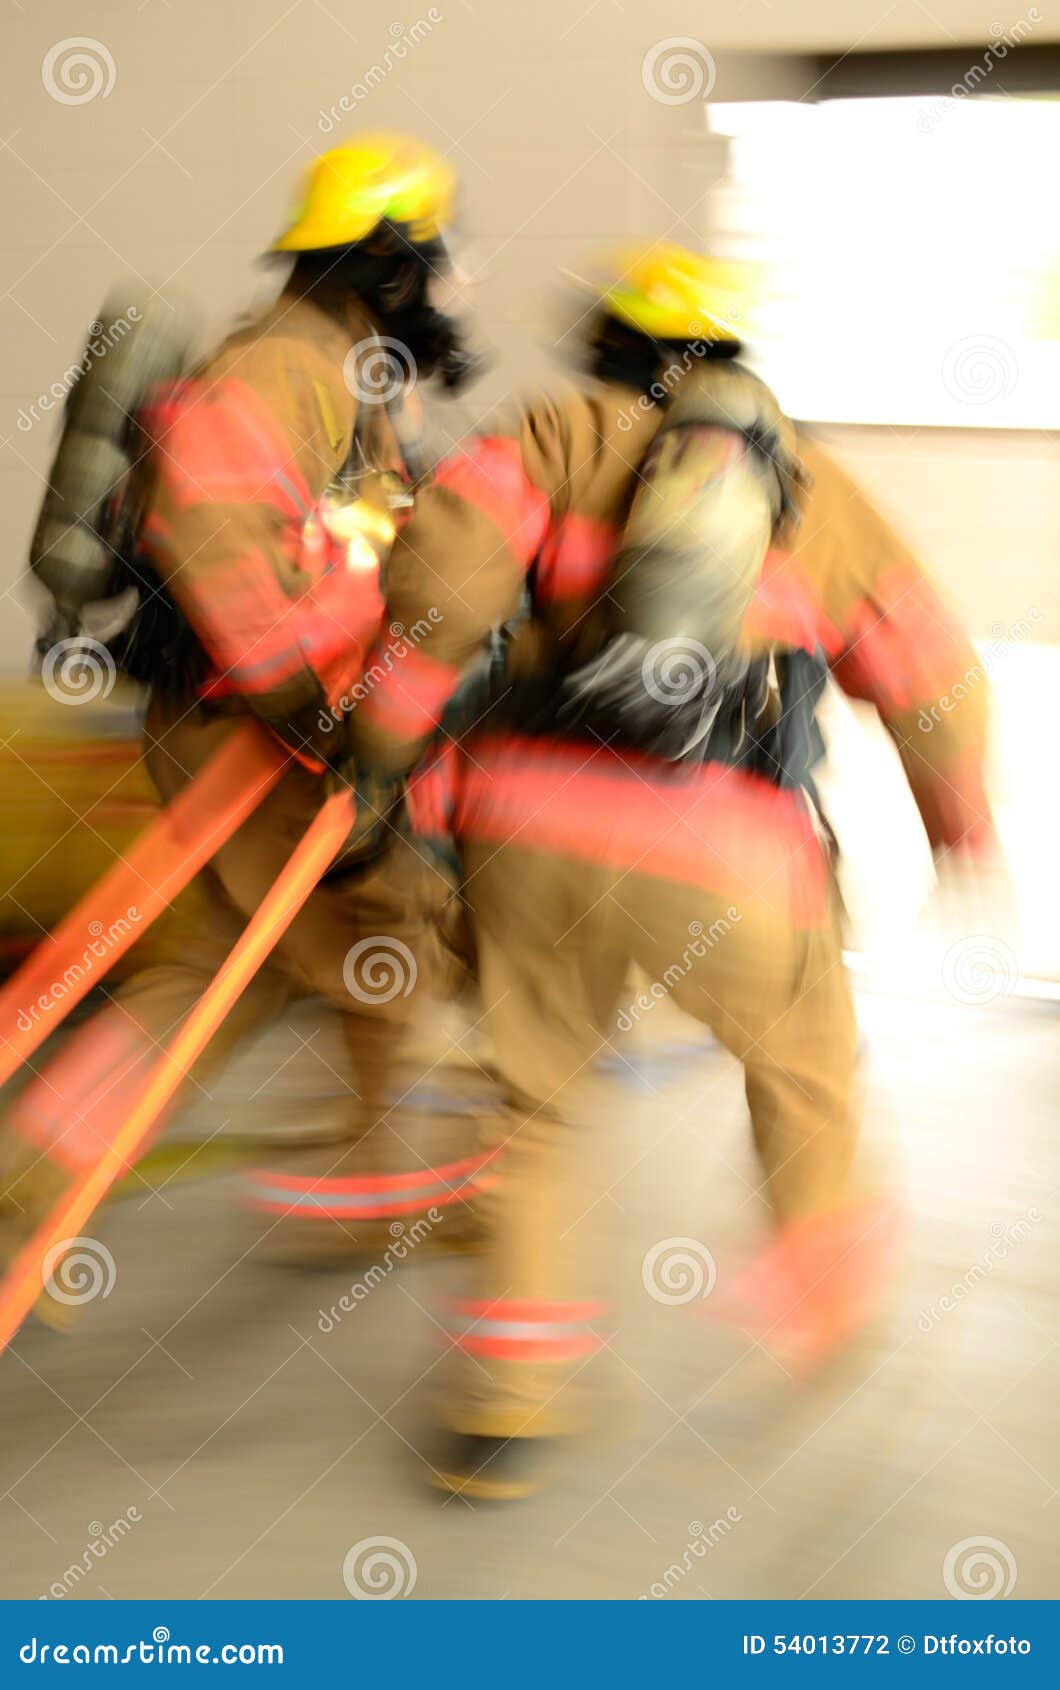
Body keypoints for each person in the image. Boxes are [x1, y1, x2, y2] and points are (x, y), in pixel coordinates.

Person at [338, 242, 1000, 1498]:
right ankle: (815, 1292)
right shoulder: (817, 487)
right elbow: (928, 671)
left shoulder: (546, 437)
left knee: (531, 1102)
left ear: (614, 347)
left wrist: (380, 749)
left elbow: (436, 598)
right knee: (802, 1063)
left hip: (531, 826)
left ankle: (509, 1402)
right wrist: (960, 817)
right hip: (732, 847)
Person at [1, 133, 491, 1288]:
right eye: (432, 264)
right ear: (385, 264)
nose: (446, 291)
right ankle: (57, 1171)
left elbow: (362, 539)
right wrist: (329, 736)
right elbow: (224, 555)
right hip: (258, 729)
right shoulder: (278, 368)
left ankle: (365, 1164)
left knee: (277, 956)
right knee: (379, 931)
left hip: (281, 721)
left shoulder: (345, 369)